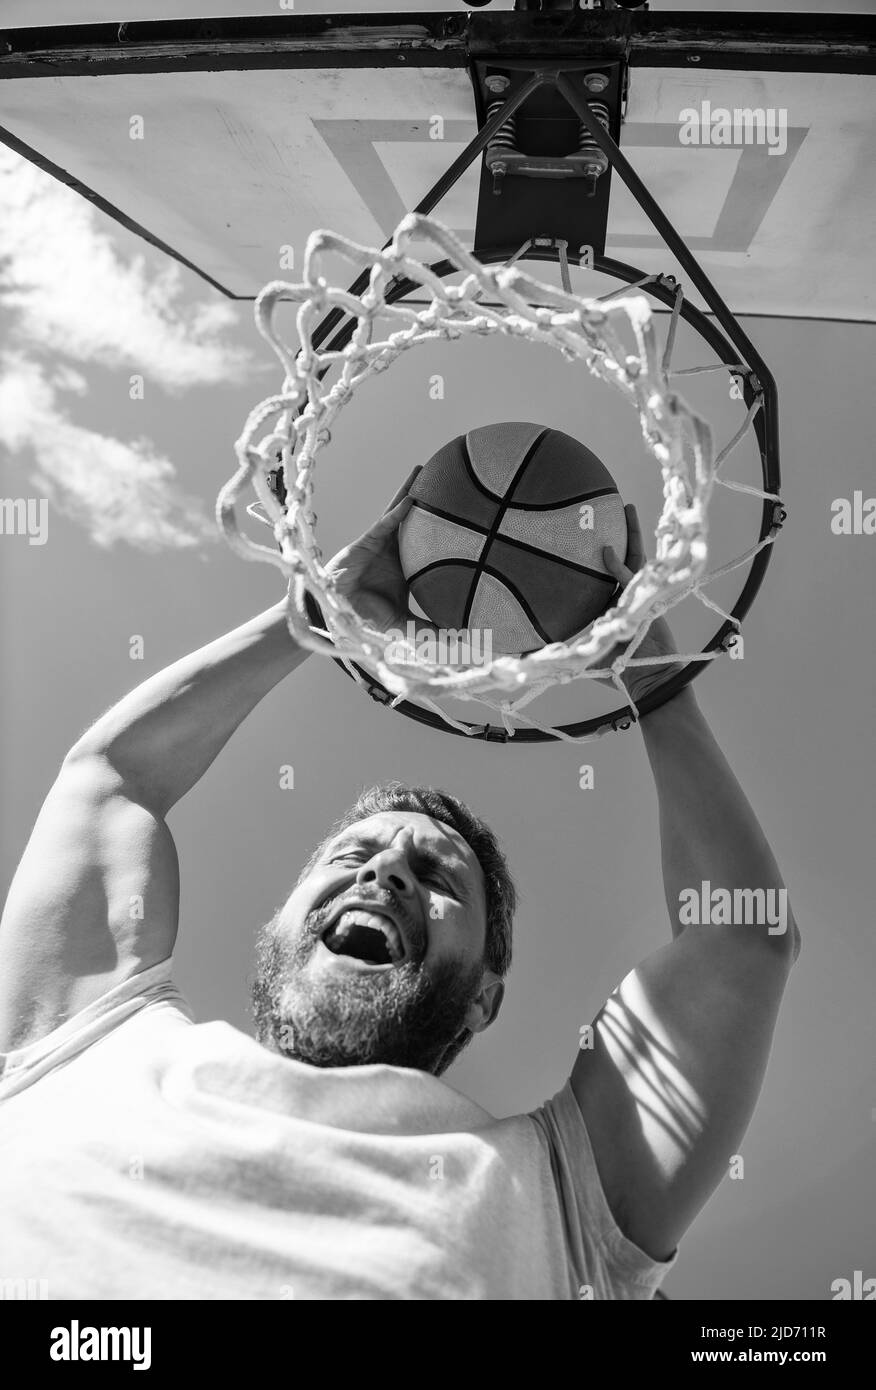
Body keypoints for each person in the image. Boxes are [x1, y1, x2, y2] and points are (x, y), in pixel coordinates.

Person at [0, 476, 799, 1301]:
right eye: (352, 858)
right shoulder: (88, 1037)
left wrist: (649, 672)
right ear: (277, 922)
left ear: (487, 998)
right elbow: (111, 777)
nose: (383, 873)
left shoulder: (565, 1193)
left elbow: (739, 940)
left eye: (434, 875)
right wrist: (310, 621)